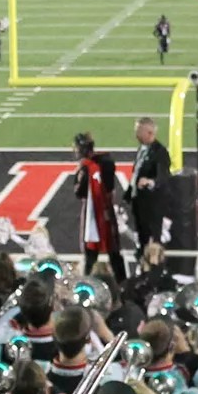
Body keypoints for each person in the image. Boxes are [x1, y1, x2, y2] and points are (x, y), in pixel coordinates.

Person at [72, 130, 127, 280]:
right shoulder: (107, 162)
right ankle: (123, 282)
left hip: (92, 212)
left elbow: (79, 192)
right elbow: (110, 187)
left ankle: (87, 283)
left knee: (90, 252)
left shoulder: (85, 168)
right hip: (107, 210)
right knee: (114, 250)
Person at [129, 114, 172, 255]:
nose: (136, 134)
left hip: (152, 205)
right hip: (140, 204)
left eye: (138, 131)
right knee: (142, 241)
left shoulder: (160, 152)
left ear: (149, 132)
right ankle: (143, 261)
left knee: (153, 242)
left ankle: (153, 265)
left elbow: (163, 176)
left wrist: (150, 182)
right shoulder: (142, 149)